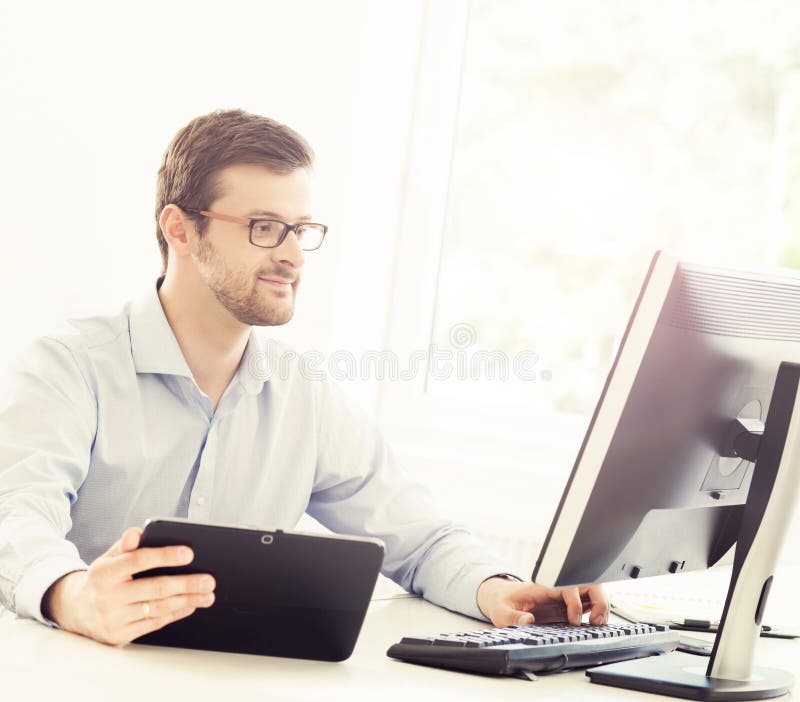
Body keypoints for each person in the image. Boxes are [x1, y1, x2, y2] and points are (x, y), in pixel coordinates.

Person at [0, 109, 608, 646]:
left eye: (301, 230)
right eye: (264, 227)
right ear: (180, 229)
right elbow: (14, 515)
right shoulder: (72, 365)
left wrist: (500, 589)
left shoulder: (304, 393)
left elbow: (418, 538)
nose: (291, 255)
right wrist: (70, 594)